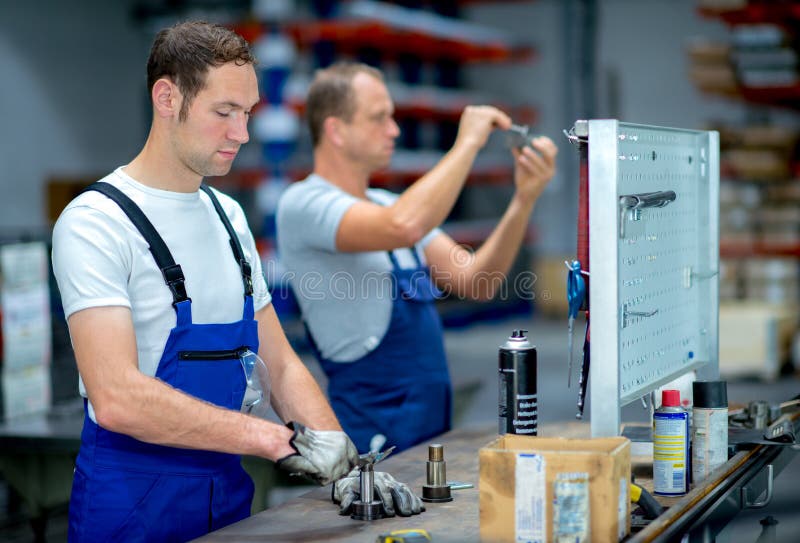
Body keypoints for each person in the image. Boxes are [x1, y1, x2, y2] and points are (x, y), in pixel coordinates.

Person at [52, 23, 421, 543]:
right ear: (167, 97)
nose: (242, 134)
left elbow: (282, 362)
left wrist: (344, 463)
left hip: (228, 498)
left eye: (246, 113)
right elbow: (117, 396)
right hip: (131, 507)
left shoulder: (229, 217)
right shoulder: (96, 222)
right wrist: (276, 441)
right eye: (223, 112)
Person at [276, 62, 558, 454]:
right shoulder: (304, 203)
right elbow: (402, 225)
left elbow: (477, 280)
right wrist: (467, 145)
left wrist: (523, 201)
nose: (394, 130)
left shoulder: (389, 204)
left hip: (429, 429)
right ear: (336, 130)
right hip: (372, 434)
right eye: (379, 118)